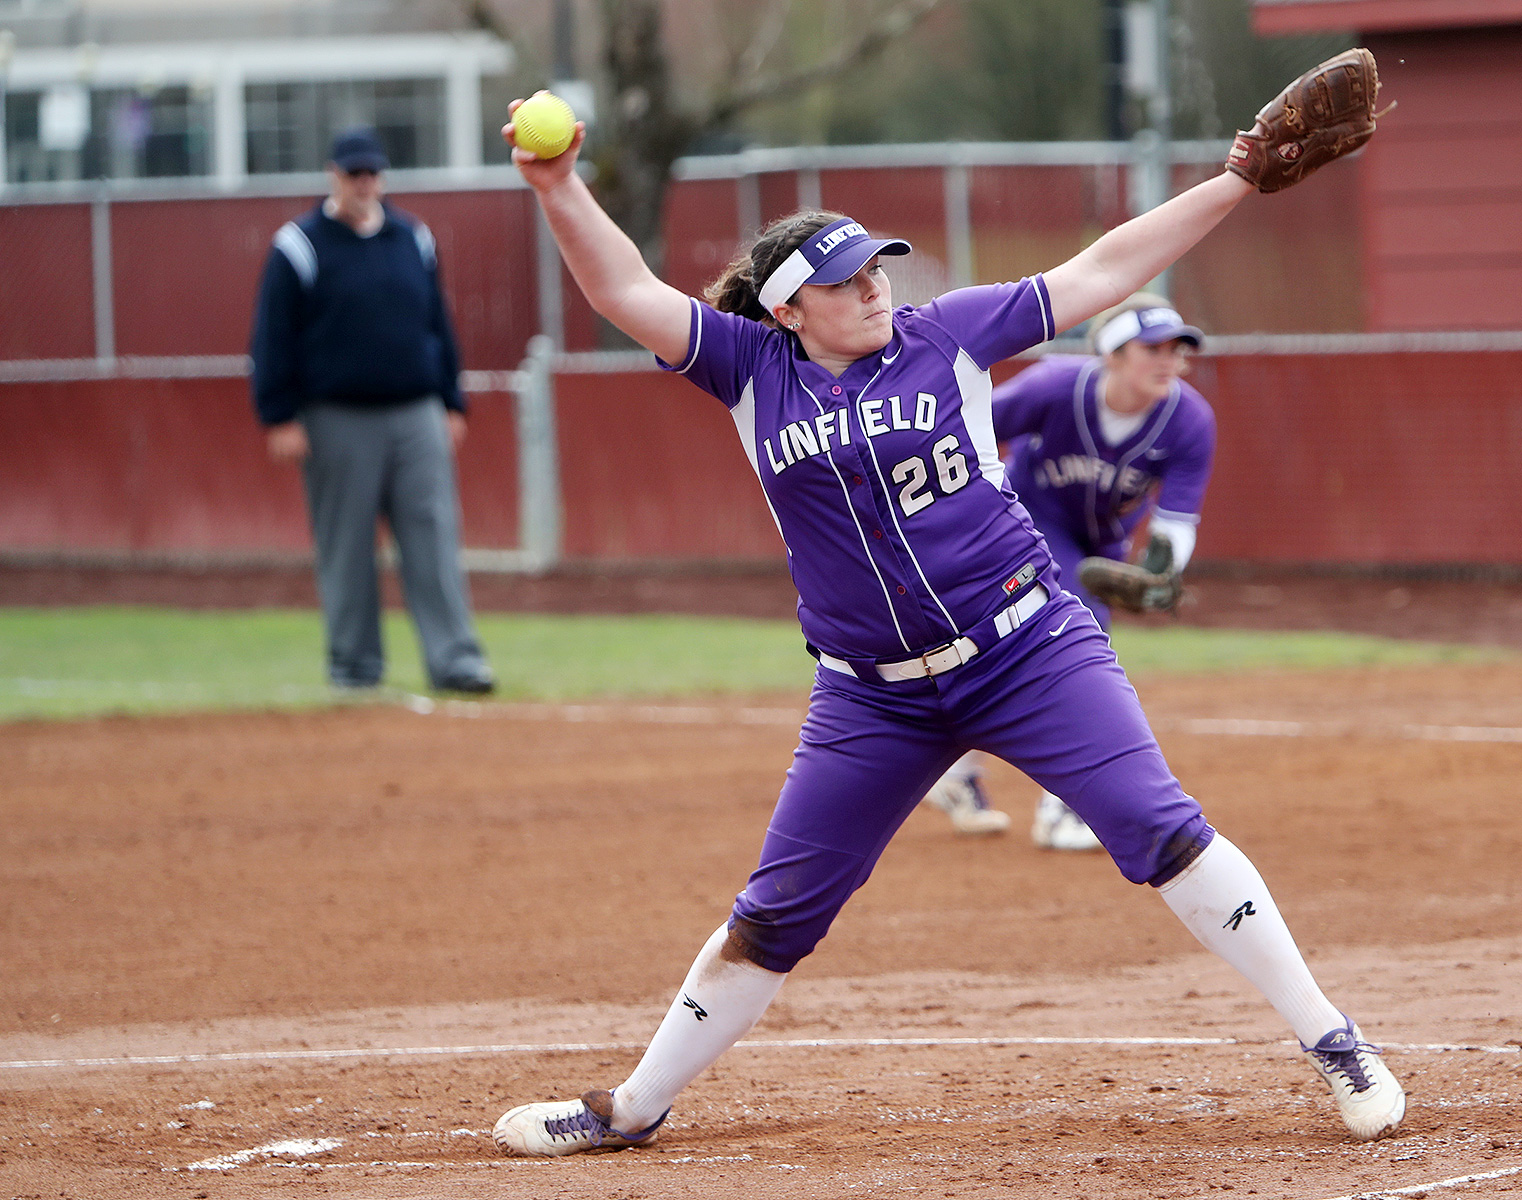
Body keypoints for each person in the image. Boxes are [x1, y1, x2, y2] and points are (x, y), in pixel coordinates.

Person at [491, 48, 1403, 1158]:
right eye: (845, 279)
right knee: (775, 914)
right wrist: (559, 187)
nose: (875, 285)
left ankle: (1334, 1039)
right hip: (869, 699)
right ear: (788, 310)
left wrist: (1240, 178)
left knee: (1160, 831)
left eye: (877, 267)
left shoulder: (949, 335)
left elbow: (1104, 271)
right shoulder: (747, 371)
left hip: (1029, 647)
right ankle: (631, 1109)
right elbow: (622, 291)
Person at [922, 295, 1216, 851]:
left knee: (1008, 651)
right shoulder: (1056, 387)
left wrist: (1161, 572)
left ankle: (953, 772)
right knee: (1077, 629)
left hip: (1099, 541)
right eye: (1151, 348)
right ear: (1111, 352)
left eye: (1176, 350)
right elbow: (956, 428)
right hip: (1020, 519)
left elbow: (1177, 518)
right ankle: (1061, 809)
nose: (1167, 361)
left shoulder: (1189, 419)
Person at [249, 127, 495, 696]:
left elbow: (437, 324)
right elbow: (271, 336)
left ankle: (456, 659)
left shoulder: (413, 238)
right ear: (334, 176)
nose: (365, 184)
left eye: (373, 174)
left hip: (415, 413)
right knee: (347, 545)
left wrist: (451, 400)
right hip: (336, 415)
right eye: (354, 174)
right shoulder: (300, 246)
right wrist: (279, 414)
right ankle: (354, 666)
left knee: (432, 536)